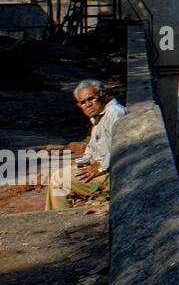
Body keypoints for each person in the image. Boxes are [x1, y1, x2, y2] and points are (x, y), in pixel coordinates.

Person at [46, 79, 127, 211]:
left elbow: (122, 146)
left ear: (103, 95)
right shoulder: (98, 117)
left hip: (114, 175)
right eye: (83, 102)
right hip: (103, 169)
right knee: (62, 173)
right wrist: (82, 162)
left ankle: (58, 218)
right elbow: (91, 149)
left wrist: (100, 166)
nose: (87, 105)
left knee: (59, 180)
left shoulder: (115, 113)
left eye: (91, 99)